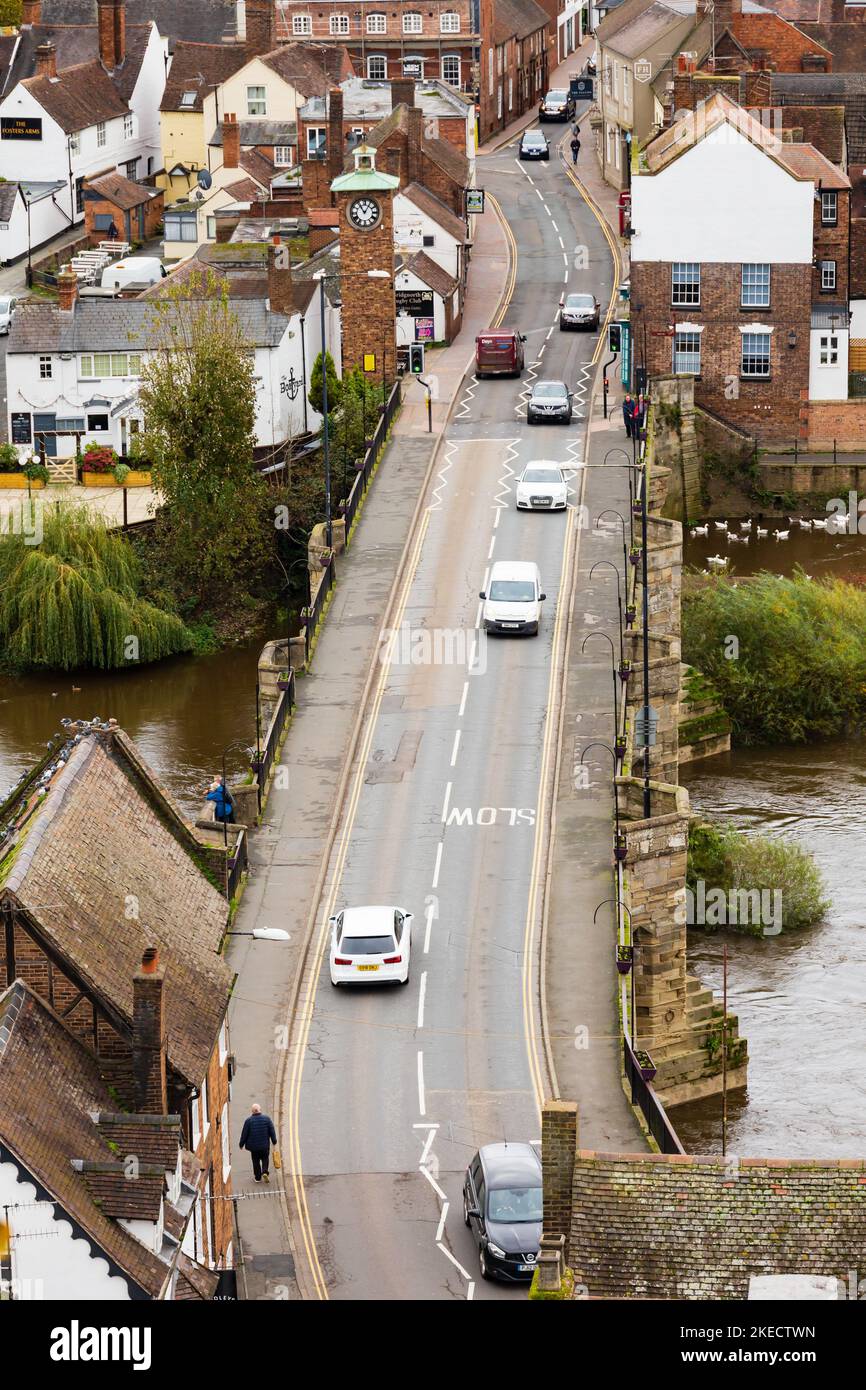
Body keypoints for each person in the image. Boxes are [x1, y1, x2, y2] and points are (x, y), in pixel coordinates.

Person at [239, 1103, 278, 1183]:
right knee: (265, 1158)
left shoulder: (248, 1121)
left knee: (255, 1161)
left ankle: (258, 1177)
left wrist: (241, 1144)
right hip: (264, 1146)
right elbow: (272, 1131)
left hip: (254, 1147)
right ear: (260, 1110)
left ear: (252, 1111)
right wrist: (274, 1141)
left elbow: (244, 1134)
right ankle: (264, 1172)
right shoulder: (267, 1119)